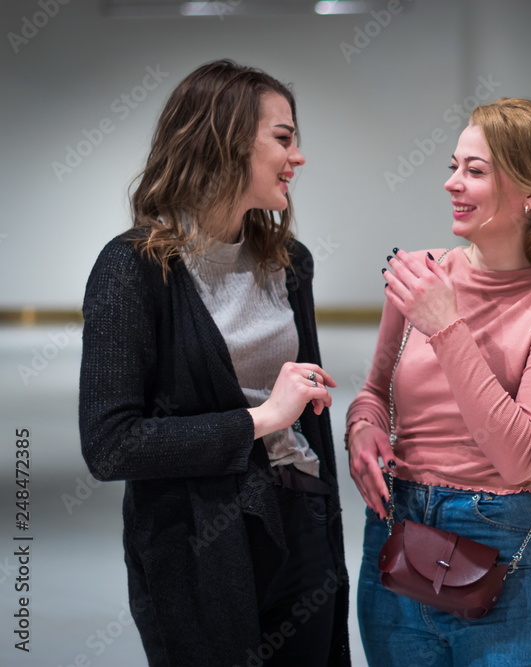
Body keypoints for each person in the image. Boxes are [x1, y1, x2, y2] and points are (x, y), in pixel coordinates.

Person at [78, 60, 350, 666]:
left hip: (300, 519)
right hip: (201, 548)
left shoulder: (290, 261)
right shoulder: (132, 270)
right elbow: (111, 446)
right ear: (224, 138)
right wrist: (258, 420)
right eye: (283, 138)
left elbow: (300, 403)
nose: (298, 156)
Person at [346, 97, 531, 666]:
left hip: (497, 536)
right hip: (397, 523)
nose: (451, 184)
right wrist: (362, 430)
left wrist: (445, 325)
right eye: (453, 166)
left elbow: (519, 457)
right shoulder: (420, 273)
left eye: (476, 171)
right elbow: (374, 393)